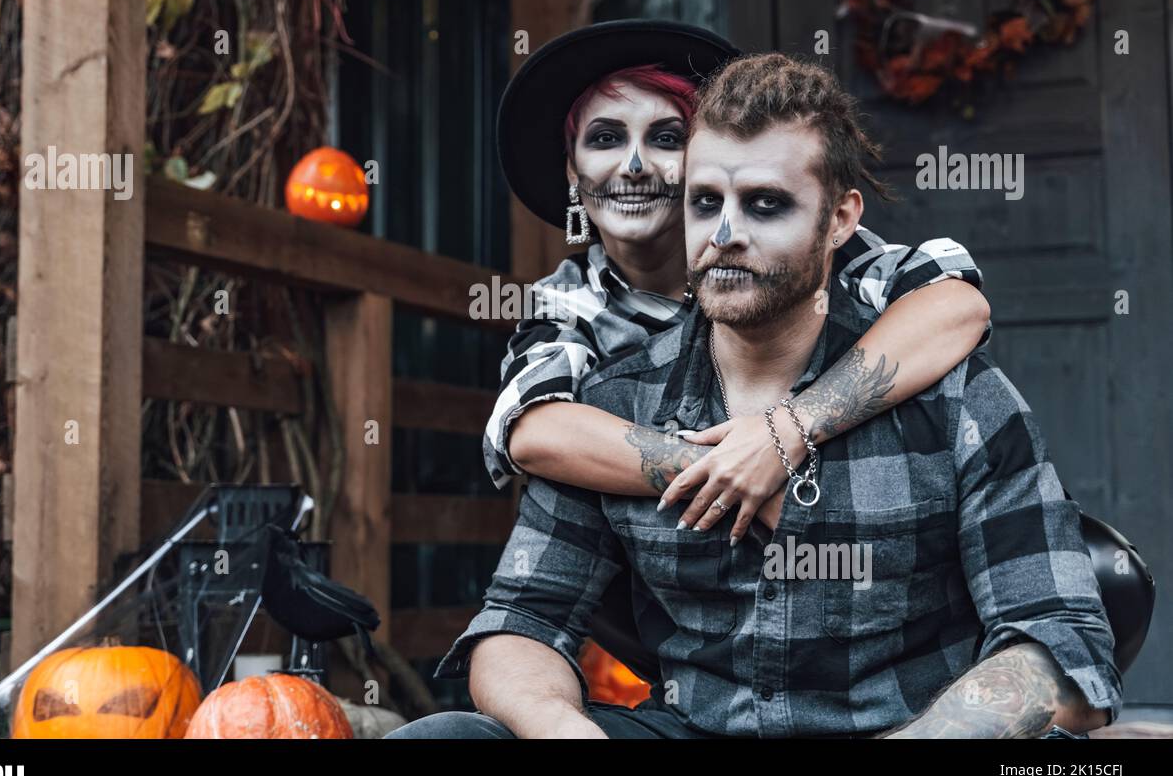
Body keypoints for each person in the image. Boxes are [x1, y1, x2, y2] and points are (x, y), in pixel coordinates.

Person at [388, 53, 1119, 738]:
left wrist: (786, 432)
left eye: (766, 204)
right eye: (706, 202)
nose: (727, 232)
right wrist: (566, 728)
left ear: (840, 221)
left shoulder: (952, 392)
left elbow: (1061, 636)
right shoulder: (610, 393)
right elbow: (519, 618)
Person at [485, 20, 991, 549]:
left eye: (665, 138)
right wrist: (727, 467)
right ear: (573, 171)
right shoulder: (571, 303)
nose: (633, 166)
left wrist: (788, 431)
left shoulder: (793, 248)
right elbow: (530, 429)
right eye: (606, 138)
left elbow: (955, 302)